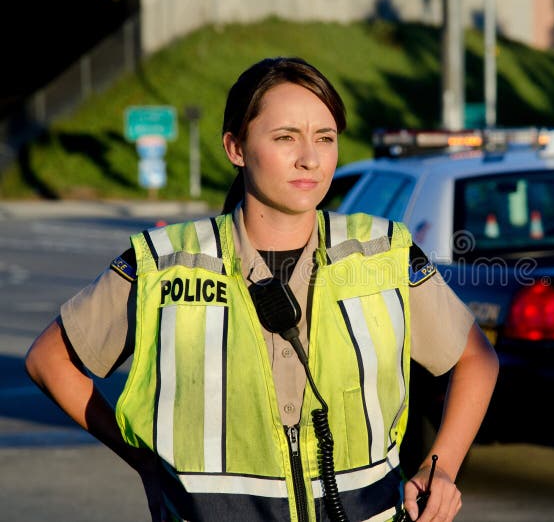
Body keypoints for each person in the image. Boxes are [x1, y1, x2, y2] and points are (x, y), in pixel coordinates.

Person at [25, 56, 499, 522]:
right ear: (235, 147)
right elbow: (49, 360)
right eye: (285, 137)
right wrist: (145, 462)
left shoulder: (384, 252)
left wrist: (442, 469)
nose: (310, 158)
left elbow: (475, 357)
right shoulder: (163, 264)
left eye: (325, 138)